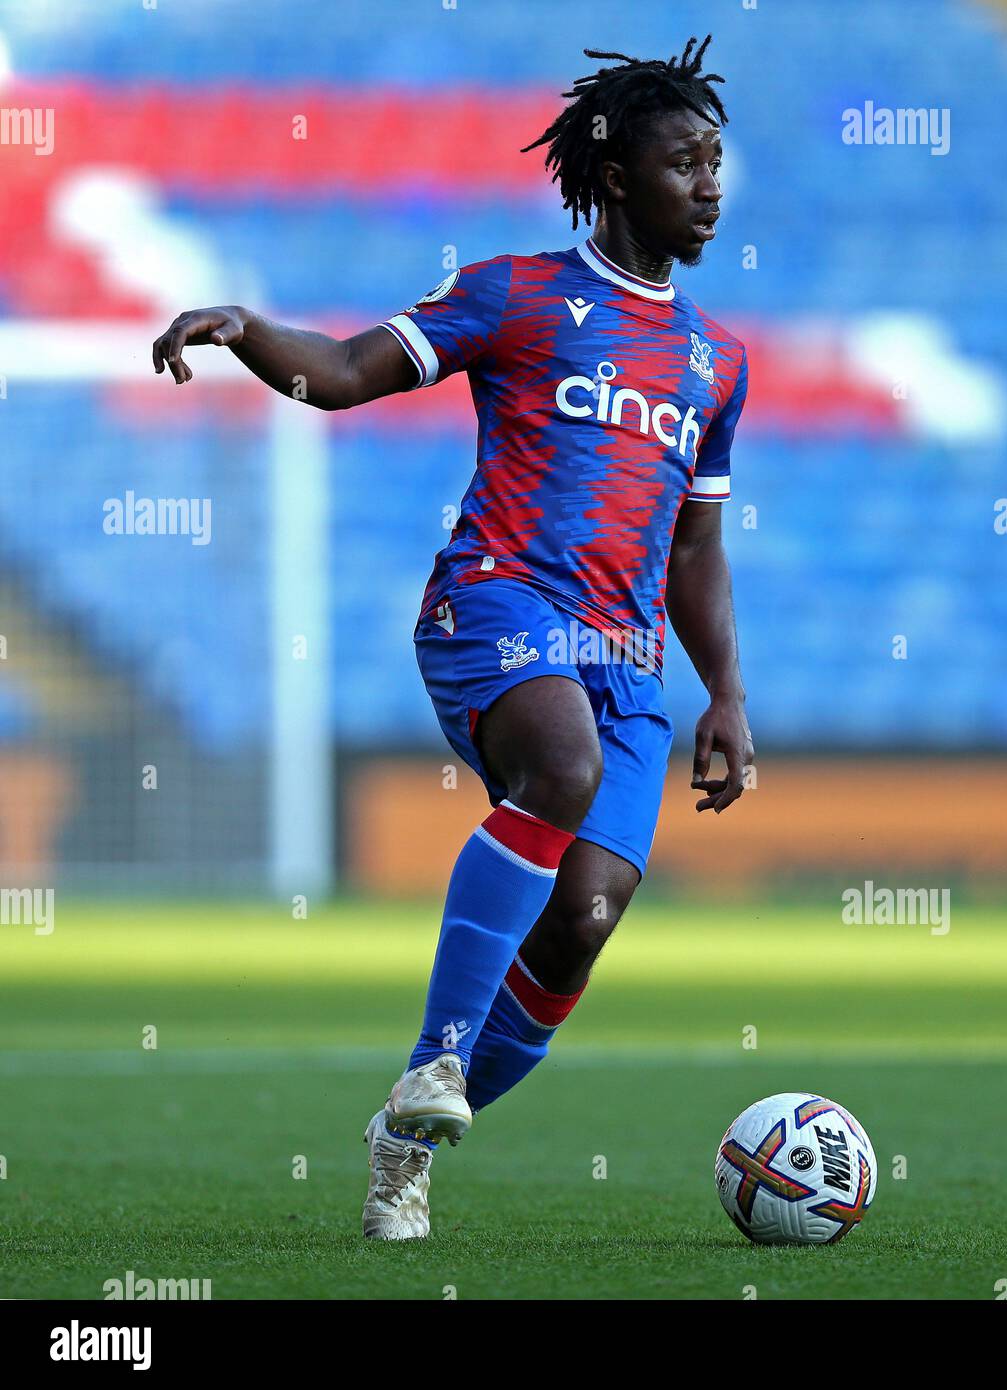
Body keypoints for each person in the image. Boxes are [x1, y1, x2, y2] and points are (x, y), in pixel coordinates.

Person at [151, 34, 753, 1240]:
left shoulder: (715, 363)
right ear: (617, 174)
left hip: (627, 662)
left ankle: (405, 1146)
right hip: (496, 602)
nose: (708, 183)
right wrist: (248, 328)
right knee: (561, 765)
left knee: (581, 922)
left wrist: (725, 696)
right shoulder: (516, 293)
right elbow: (342, 374)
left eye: (716, 160)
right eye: (682, 159)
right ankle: (433, 1055)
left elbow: (691, 549)